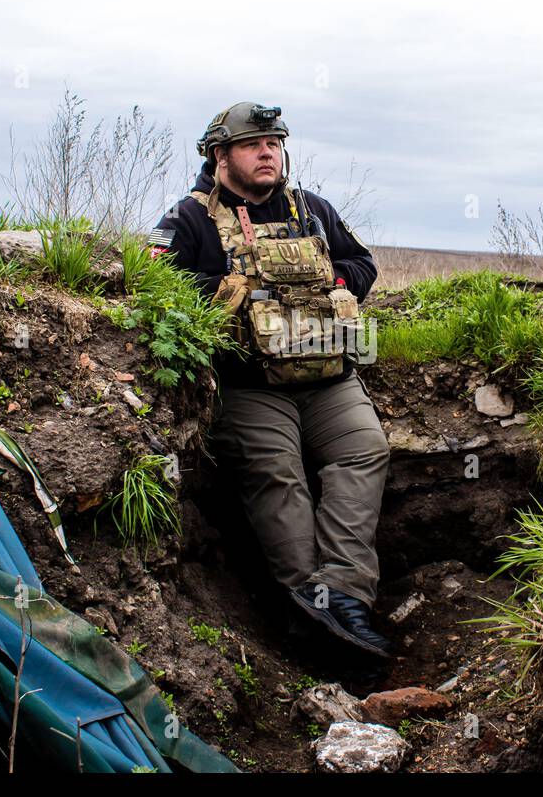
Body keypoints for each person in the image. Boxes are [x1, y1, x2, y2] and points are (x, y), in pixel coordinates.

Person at [149, 102, 393, 658]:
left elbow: (363, 265)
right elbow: (158, 281)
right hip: (250, 383)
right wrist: (239, 289)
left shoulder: (313, 209)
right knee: (277, 473)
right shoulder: (188, 218)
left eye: (275, 143)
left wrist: (320, 279)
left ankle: (343, 595)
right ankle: (308, 609)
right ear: (221, 156)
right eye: (254, 144)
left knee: (365, 451)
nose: (269, 153)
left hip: (330, 376)